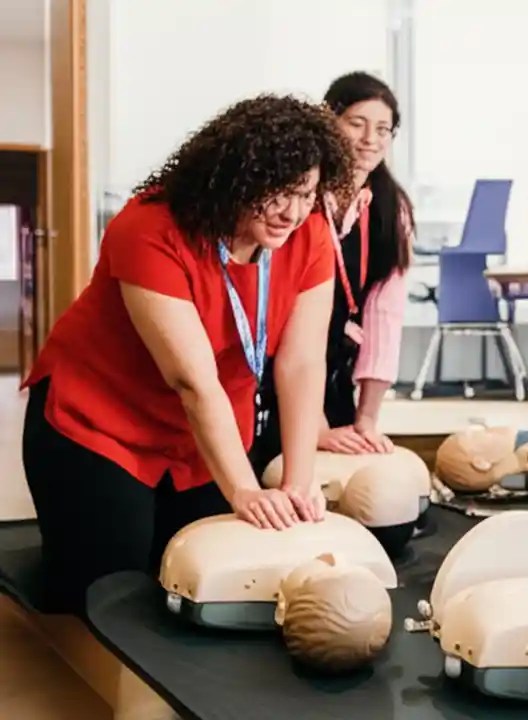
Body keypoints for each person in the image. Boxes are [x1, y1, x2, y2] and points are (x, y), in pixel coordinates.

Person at [21, 94, 351, 615]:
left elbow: (302, 362)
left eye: (306, 194)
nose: (292, 212)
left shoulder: (308, 235)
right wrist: (244, 491)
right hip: (103, 423)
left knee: (206, 577)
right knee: (109, 593)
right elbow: (193, 381)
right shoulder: (151, 227)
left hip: (205, 436)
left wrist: (297, 481)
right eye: (278, 193)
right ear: (235, 180)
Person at [251, 72, 413, 473]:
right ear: (329, 122)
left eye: (383, 129)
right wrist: (315, 428)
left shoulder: (392, 210)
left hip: (335, 375)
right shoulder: (300, 200)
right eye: (357, 124)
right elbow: (277, 315)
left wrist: (367, 419)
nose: (370, 139)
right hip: (276, 377)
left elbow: (385, 319)